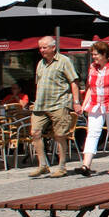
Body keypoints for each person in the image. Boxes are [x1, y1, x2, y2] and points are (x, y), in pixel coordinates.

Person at [29, 36, 81, 179]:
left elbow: (74, 82)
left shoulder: (64, 61)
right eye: (40, 48)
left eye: (44, 47)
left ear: (53, 47)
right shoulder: (41, 63)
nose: (42, 50)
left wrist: (76, 102)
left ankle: (62, 166)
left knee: (60, 135)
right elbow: (38, 83)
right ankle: (43, 165)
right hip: (40, 105)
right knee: (35, 132)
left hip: (59, 104)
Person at [79, 41, 109, 177]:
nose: (93, 57)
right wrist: (84, 104)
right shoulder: (92, 67)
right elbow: (91, 88)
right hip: (96, 103)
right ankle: (85, 165)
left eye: (95, 54)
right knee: (93, 132)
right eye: (92, 54)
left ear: (104, 54)